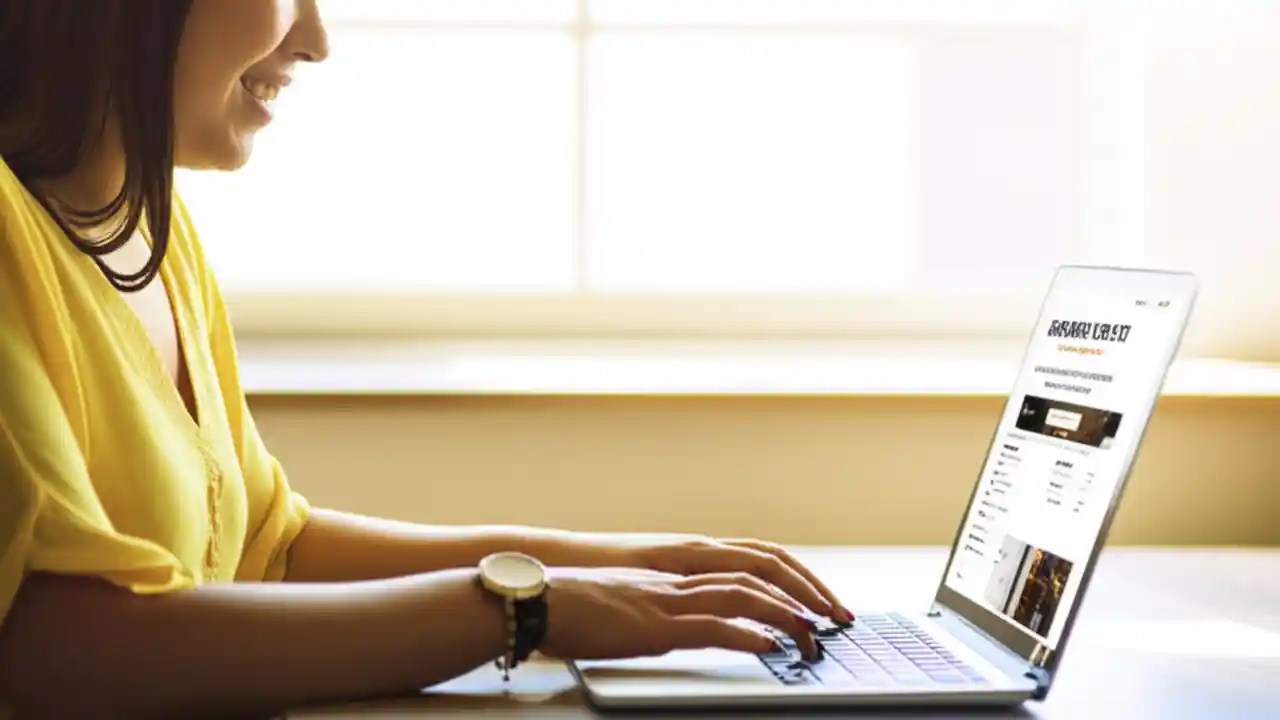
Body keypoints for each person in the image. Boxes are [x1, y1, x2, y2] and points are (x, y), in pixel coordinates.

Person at [0, 2, 853, 717]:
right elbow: (56, 645)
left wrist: (615, 567)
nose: (314, 39)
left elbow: (268, 551)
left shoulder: (151, 225)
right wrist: (522, 610)